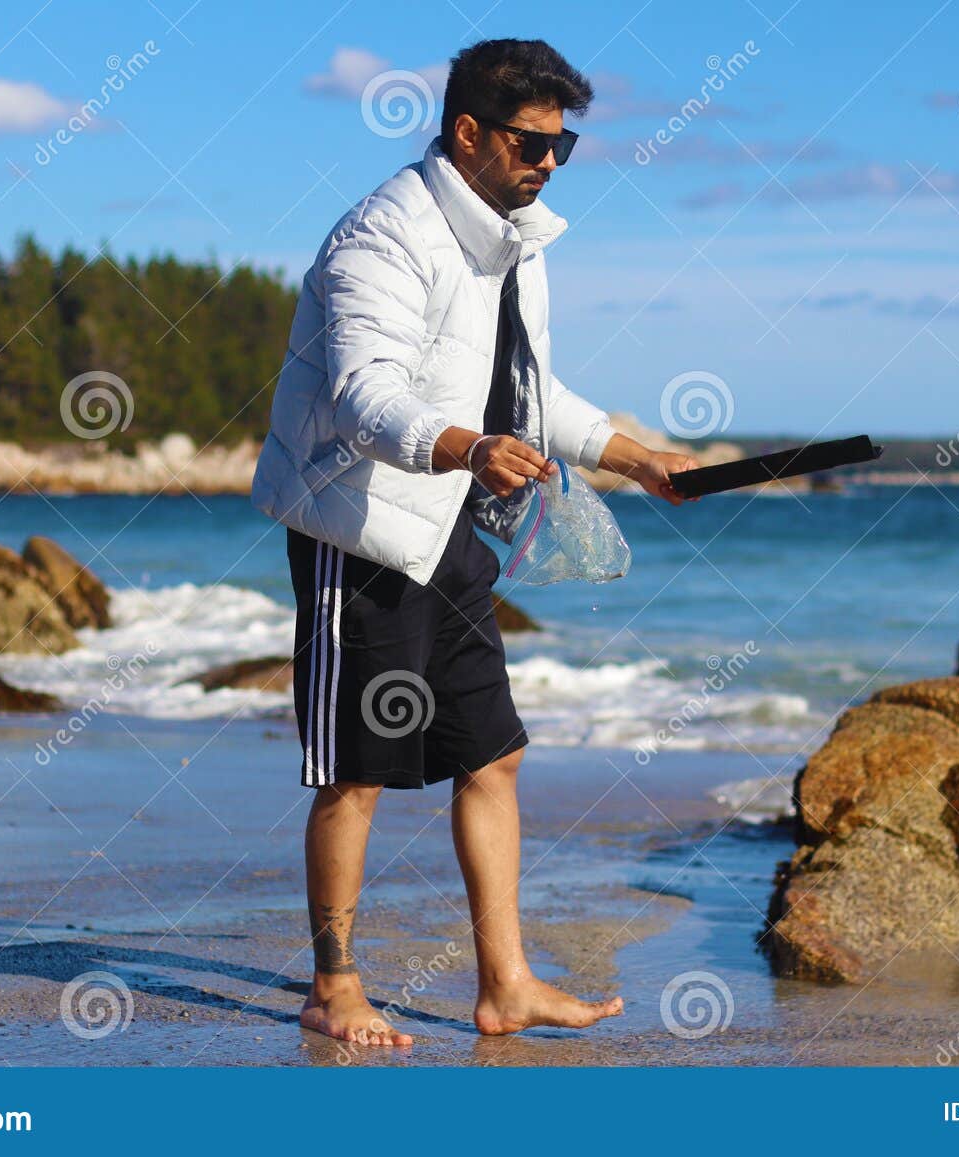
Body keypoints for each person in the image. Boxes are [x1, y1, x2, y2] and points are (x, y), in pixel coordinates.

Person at [250, 37, 697, 1046]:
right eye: (532, 143)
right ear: (467, 132)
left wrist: (639, 457)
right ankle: (335, 985)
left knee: (492, 756)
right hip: (359, 530)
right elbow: (365, 399)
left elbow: (530, 397)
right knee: (353, 773)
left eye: (563, 145)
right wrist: (467, 445)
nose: (548, 163)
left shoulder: (514, 241)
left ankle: (506, 982)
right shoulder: (384, 236)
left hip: (454, 531)